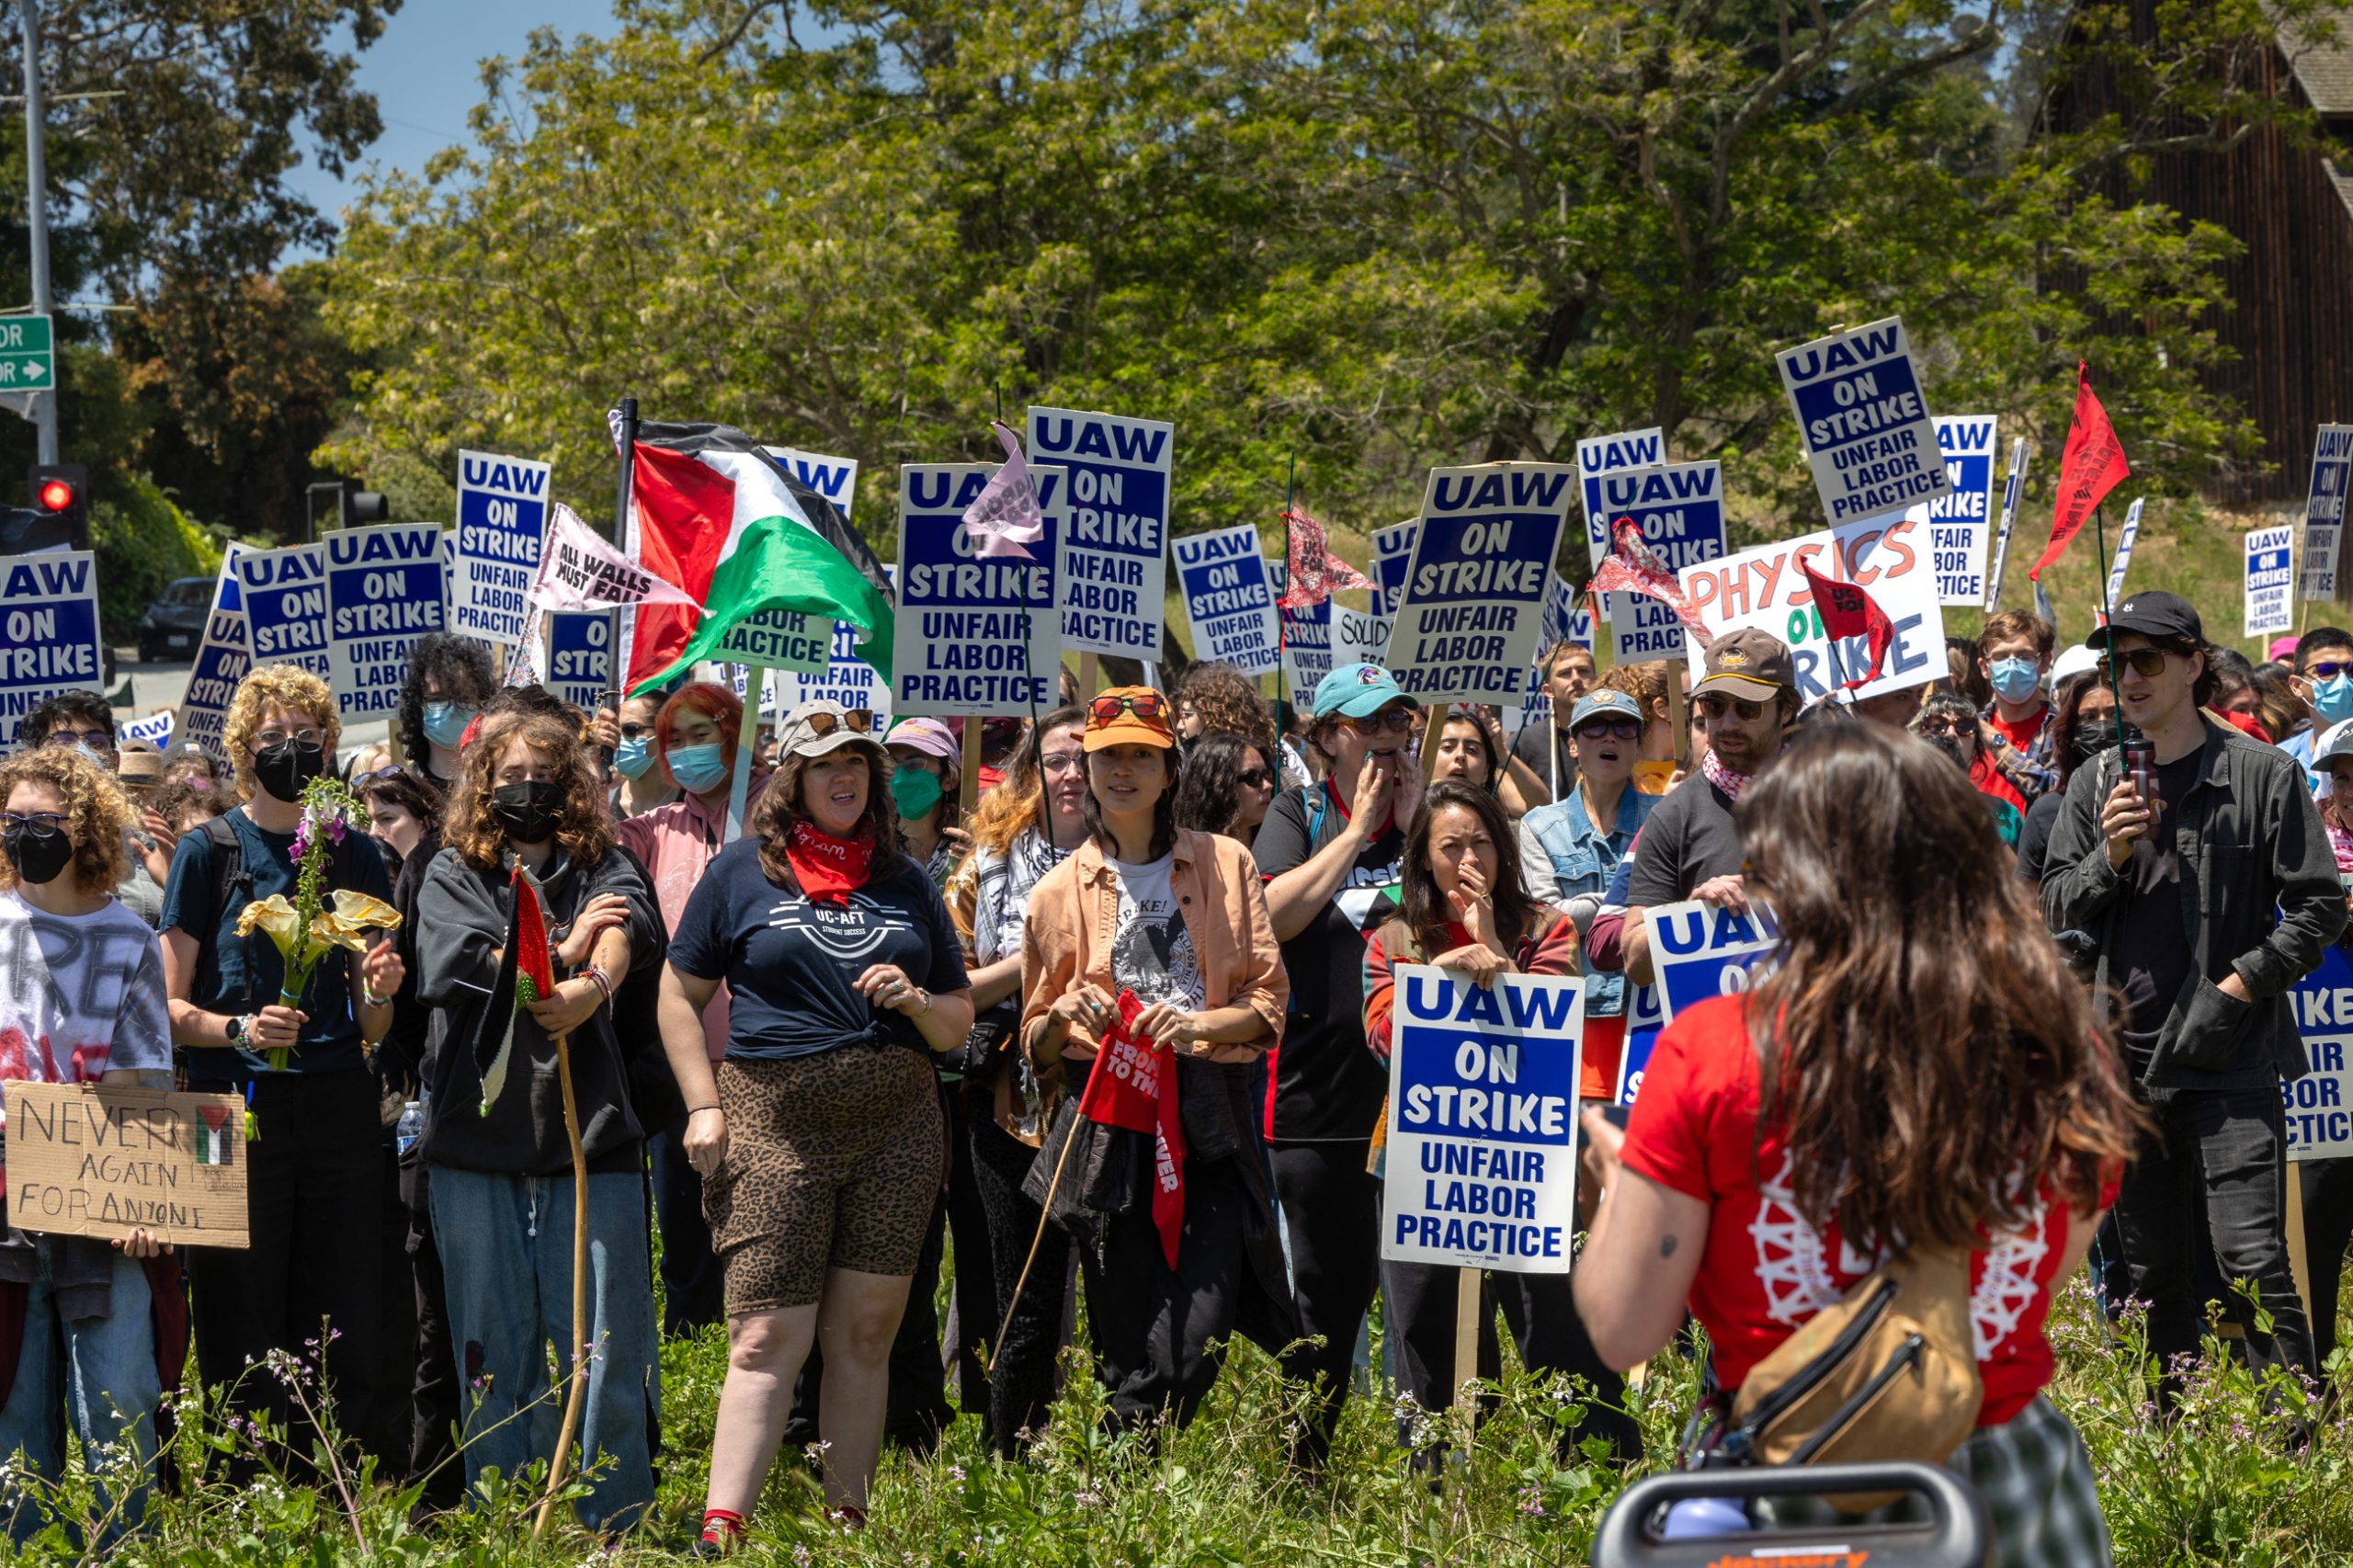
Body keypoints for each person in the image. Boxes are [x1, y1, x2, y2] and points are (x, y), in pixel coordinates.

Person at [1575, 721, 2142, 1566]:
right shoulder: (2055, 1044)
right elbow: (2049, 1265)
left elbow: (1626, 1332)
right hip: (2007, 1481)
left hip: (1784, 1486)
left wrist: (1623, 1191)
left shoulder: (1713, 1052)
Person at [659, 703, 973, 1543]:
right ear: (792, 779)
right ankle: (722, 1530)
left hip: (896, 1130)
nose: (847, 779)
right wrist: (701, 1105)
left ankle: (848, 1522)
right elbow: (677, 998)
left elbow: (958, 1018)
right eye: (827, 765)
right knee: (767, 1334)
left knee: (865, 1333)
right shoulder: (738, 875)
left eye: (860, 766)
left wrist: (915, 1000)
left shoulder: (906, 880)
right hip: (772, 1127)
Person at [2041, 591, 2345, 1402]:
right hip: (2126, 1067)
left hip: (2229, 1056)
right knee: (2152, 1268)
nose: (2130, 677)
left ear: (2193, 664)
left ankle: (2297, 1428)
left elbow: (2320, 905)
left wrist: (2244, 983)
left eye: (2148, 659)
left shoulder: (2263, 773)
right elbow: (2053, 905)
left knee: (2250, 1255)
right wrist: (2109, 854)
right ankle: (2170, 1426)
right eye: (2118, 662)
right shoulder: (2096, 779)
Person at [413, 708, 665, 1531]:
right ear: (482, 786)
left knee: (607, 1345)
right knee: (493, 1349)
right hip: (476, 1144)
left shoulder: (607, 861)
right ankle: (507, 1517)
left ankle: (612, 1524)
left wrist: (592, 985)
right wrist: (559, 963)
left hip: (592, 1142)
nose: (527, 792)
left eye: (543, 777)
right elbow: (470, 960)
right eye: (510, 778)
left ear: (573, 786)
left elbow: (622, 929)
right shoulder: (453, 872)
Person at [1019, 687, 1291, 1438]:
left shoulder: (1228, 863)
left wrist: (1197, 1024)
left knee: (1192, 1338)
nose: (1123, 771)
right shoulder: (1052, 894)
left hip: (1209, 1118)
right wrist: (1064, 1016)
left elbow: (1269, 1007)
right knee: (1122, 1335)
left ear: (1170, 769)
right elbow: (1033, 1043)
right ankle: (1120, 1514)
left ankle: (1116, 1464)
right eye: (1108, 757)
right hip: (1107, 1122)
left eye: (1142, 754)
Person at [157, 665, 403, 1475]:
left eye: (307, 739)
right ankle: (245, 1485)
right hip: (230, 1108)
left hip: (338, 1103)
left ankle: (338, 1479)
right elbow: (168, 1005)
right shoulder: (207, 853)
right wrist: (239, 1028)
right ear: (242, 751)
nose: (291, 752)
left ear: (332, 749)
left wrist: (377, 991)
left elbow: (373, 1025)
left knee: (344, 1300)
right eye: (273, 741)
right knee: (235, 1303)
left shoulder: (359, 854)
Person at [1362, 780, 1634, 1461]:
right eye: (1451, 846)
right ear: (1424, 859)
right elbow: (1382, 1037)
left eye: (1482, 842)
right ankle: (1436, 1492)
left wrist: (1497, 954)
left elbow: (1552, 1033)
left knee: (1559, 1333)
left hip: (1526, 1169)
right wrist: (1446, 974)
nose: (1469, 859)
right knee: (1428, 1343)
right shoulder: (1393, 937)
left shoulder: (1547, 927)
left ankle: (1595, 1478)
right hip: (1422, 1168)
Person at [0, 748, 178, 1547]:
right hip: (4, 1218)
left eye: (46, 821)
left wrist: (143, 1200)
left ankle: (125, 1557)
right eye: (15, 822)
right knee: (12, 1428)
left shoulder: (129, 939)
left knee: (120, 1407)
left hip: (103, 1218)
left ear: (86, 830)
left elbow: (146, 1084)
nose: (28, 835)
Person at [1254, 662, 1420, 1471]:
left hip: (1425, 1095)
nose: (1389, 738)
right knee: (1326, 1300)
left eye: (1399, 721)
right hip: (1318, 1100)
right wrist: (1357, 835)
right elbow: (1269, 918)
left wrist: (1419, 829)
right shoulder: (1298, 812)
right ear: (1326, 740)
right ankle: (1305, 1471)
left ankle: (1436, 1476)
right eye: (1368, 725)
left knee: (1426, 1298)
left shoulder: (1436, 821)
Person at [945, 704, 1090, 1456]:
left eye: (1085, 758)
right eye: (1057, 759)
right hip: (1009, 1101)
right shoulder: (987, 868)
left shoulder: (1139, 860)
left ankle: (1117, 1458)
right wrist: (1042, 963)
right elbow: (953, 989)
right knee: (1019, 1287)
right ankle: (1014, 1455)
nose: (1073, 773)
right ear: (1033, 773)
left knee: (1109, 1291)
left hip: (1109, 1099)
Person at [614, 681, 767, 1340]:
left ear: (736, 734)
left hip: (764, 1057)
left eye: (700, 735)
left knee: (762, 1230)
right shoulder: (653, 829)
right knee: (684, 1229)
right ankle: (692, 1361)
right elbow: (599, 851)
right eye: (672, 740)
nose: (683, 751)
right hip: (682, 1063)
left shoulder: (776, 811)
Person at [1623, 631, 1799, 986]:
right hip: (1722, 1033)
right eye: (1716, 706)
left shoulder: (1832, 799)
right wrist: (1690, 915)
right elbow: (1634, 963)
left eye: (1747, 708)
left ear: (1787, 711)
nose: (1728, 724)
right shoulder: (1672, 814)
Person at [1517, 688, 1659, 1103]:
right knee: (1586, 1157)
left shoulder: (1669, 815)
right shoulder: (1539, 825)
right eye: (1595, 727)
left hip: (1652, 1013)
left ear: (1639, 743)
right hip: (1575, 1019)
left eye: (1624, 728)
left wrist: (1589, 910)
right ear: (1574, 745)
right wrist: (1625, 904)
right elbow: (1545, 921)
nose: (1610, 737)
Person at [2015, 674, 2113, 889]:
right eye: (2089, 718)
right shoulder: (2047, 811)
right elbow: (2027, 899)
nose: (2103, 727)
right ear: (2072, 734)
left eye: (2115, 714)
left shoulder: (2153, 800)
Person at [1911, 690, 2024, 848]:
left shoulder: (2006, 814)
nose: (1951, 734)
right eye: (1938, 725)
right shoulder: (1898, 808)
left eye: (1964, 726)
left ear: (1977, 745)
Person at [1176, 660, 1311, 790]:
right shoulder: (1187, 768)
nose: (1179, 726)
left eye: (1187, 715)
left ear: (1214, 717)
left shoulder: (1277, 770)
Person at [396, 632, 500, 794]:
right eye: (437, 699)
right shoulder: (404, 790)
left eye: (463, 698)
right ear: (416, 704)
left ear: (483, 703)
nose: (451, 710)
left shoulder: (499, 783)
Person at [1977, 610, 2061, 806]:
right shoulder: (1967, 730)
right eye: (2000, 656)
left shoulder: (2062, 730)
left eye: (2024, 655)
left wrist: (1997, 743)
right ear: (1984, 667)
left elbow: (2056, 798)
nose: (2012, 665)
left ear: (2045, 661)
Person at [882, 717, 965, 887]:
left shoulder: (966, 854)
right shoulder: (868, 851)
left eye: (915, 763)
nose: (899, 778)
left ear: (950, 779)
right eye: (890, 764)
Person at [1509, 640, 1595, 802]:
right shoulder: (1525, 741)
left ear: (1596, 679)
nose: (1576, 679)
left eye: (1583, 671)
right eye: (1565, 673)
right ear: (1548, 690)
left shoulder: (1617, 733)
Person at [1172, 731, 1279, 849]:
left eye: (1267, 774)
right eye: (1252, 778)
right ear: (1219, 786)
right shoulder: (1188, 855)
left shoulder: (1279, 845)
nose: (1268, 785)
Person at [2281, 627, 2353, 795]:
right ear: (2297, 685)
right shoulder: (2283, 759)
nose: (2343, 681)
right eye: (2326, 670)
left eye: (2351, 670)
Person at [356, 766, 439, 875]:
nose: (373, 832)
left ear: (424, 824)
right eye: (365, 822)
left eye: (386, 819)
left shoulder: (447, 879)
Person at [608, 692, 676, 818]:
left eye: (631, 729)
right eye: (615, 729)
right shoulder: (603, 802)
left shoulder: (698, 802)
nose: (618, 738)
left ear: (664, 732)